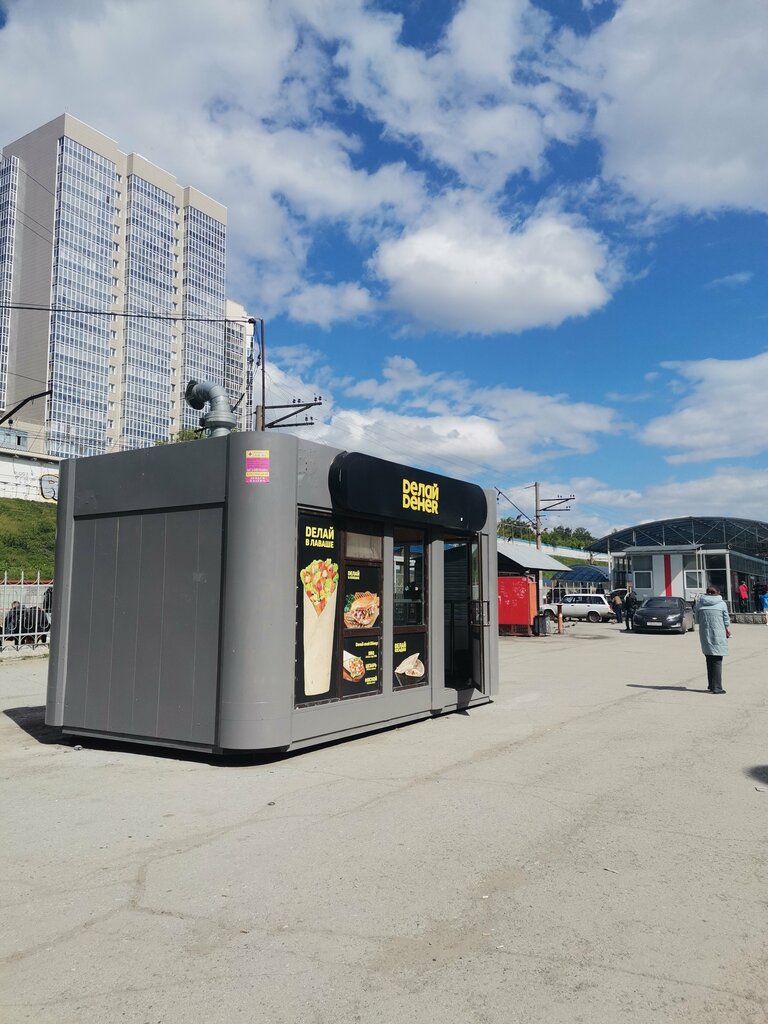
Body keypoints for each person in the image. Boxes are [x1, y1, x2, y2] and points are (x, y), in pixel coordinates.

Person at [695, 585, 730, 693]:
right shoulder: (722, 604)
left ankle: (711, 685)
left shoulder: (700, 604)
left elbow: (697, 620)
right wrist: (727, 629)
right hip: (718, 634)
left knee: (709, 659)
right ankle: (717, 688)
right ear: (718, 592)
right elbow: (726, 620)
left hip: (705, 634)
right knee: (717, 661)